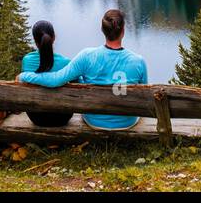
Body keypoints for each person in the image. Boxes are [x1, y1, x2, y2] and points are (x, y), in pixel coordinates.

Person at [18, 9, 148, 131]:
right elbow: (144, 96)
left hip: (94, 121)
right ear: (123, 31)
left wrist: (25, 76)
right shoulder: (138, 61)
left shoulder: (86, 56)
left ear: (102, 30)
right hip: (127, 122)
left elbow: (55, 80)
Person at [21, 21, 74, 127]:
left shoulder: (27, 60)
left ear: (35, 41)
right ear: (53, 38)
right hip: (62, 117)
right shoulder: (66, 62)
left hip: (36, 117)